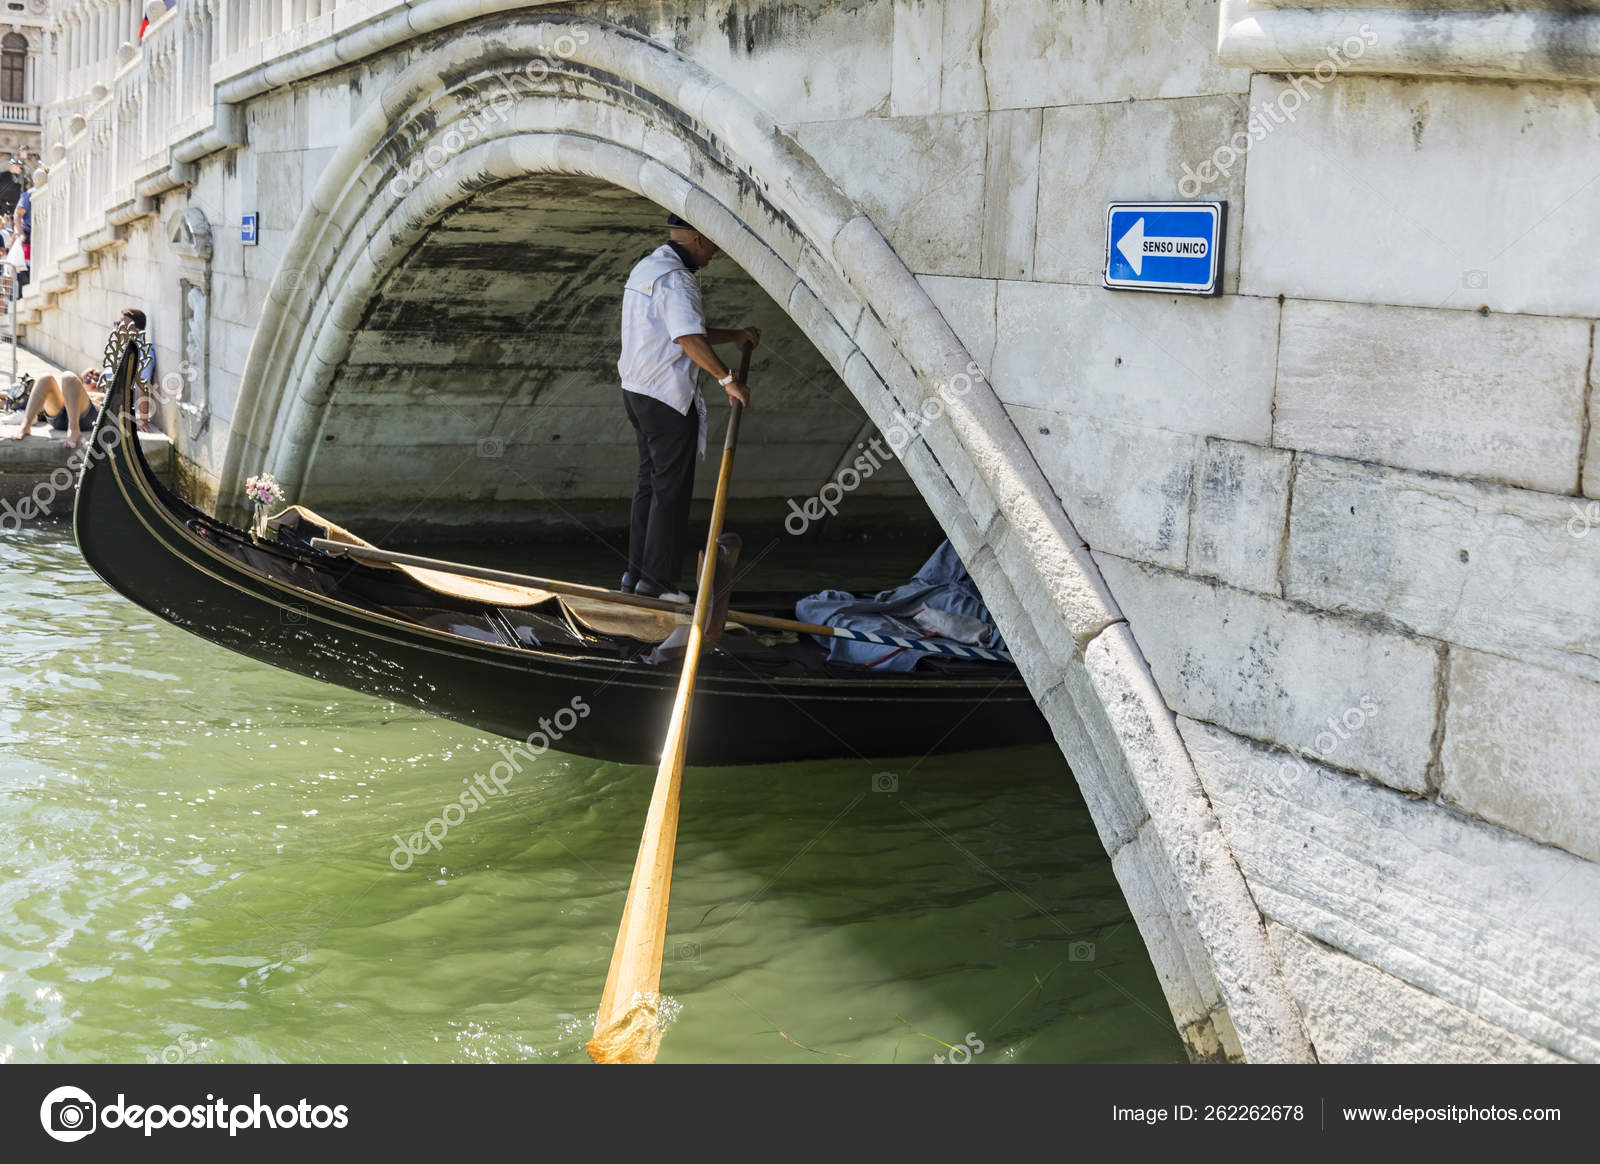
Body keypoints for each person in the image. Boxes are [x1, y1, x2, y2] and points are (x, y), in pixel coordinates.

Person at [617, 213, 759, 602]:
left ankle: (635, 578)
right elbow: (686, 338)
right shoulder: (678, 279)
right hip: (665, 397)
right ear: (697, 236)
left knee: (649, 486)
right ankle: (657, 584)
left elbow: (683, 329)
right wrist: (728, 380)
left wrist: (734, 336)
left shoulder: (648, 267)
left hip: (637, 392)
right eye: (711, 243)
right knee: (670, 492)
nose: (713, 252)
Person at [8, 369, 99, 449]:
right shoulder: (71, 389)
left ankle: (73, 429)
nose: (92, 382)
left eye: (96, 378)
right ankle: (25, 426)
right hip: (59, 417)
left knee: (68, 376)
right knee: (46, 378)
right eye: (87, 379)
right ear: (81, 383)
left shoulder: (102, 395)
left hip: (87, 418)